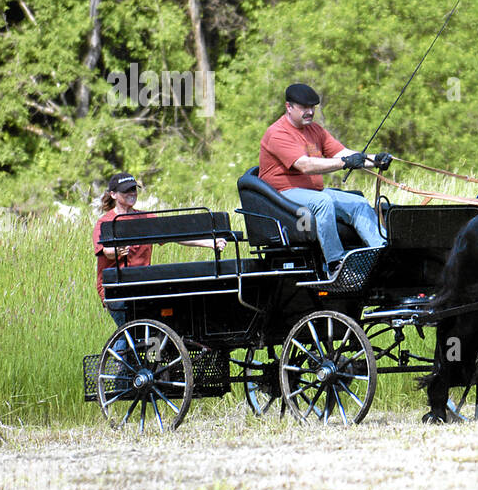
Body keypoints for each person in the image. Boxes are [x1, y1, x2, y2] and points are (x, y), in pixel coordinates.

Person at [258, 82, 392, 275]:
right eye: (304, 107)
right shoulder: (277, 133)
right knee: (323, 202)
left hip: (313, 192)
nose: (310, 112)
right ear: (289, 107)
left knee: (358, 203)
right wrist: (345, 162)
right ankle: (335, 264)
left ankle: (383, 254)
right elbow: (306, 165)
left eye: (312, 108)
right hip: (281, 196)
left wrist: (375, 160)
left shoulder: (315, 130)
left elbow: (342, 153)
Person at [93, 172, 227, 326]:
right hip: (115, 288)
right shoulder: (105, 223)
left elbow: (175, 235)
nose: (132, 193)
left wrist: (209, 243)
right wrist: (117, 251)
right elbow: (107, 252)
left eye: (133, 189)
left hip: (142, 285)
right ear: (113, 194)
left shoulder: (145, 218)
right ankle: (120, 349)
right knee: (130, 332)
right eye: (126, 190)